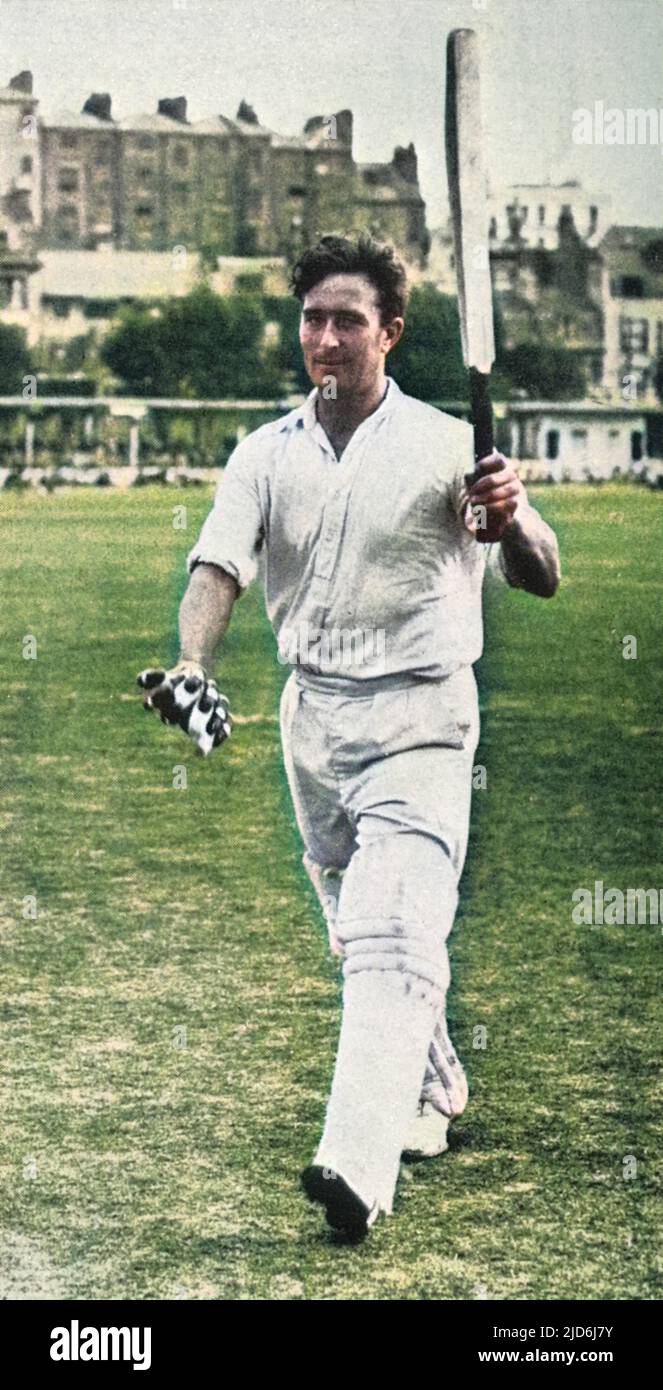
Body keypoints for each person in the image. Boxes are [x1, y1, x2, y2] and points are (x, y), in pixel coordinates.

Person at [137, 235, 560, 1243]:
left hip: (421, 717)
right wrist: (193, 666)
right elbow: (218, 570)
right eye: (313, 320)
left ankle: (356, 1168)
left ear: (392, 332)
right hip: (314, 722)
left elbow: (541, 571)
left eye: (349, 322)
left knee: (389, 929)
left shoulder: (449, 443)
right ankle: (435, 1076)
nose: (326, 341)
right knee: (356, 928)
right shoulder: (266, 452)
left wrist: (510, 518)